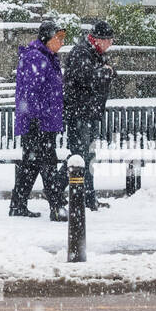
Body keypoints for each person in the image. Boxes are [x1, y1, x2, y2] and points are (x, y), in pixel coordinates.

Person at [10, 20, 69, 220]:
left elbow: (49, 91)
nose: (61, 42)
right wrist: (36, 118)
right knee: (48, 164)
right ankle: (57, 207)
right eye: (58, 38)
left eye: (62, 38)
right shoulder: (36, 57)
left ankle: (18, 205)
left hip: (43, 121)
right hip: (38, 123)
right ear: (47, 39)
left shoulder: (47, 57)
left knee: (31, 165)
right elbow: (30, 92)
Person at [62, 20, 117, 212]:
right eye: (109, 40)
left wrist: (106, 71)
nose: (111, 43)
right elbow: (87, 78)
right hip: (79, 114)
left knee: (88, 156)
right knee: (79, 156)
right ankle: (55, 189)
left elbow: (110, 73)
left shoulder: (95, 53)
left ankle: (88, 198)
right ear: (98, 39)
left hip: (90, 113)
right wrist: (105, 72)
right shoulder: (81, 52)